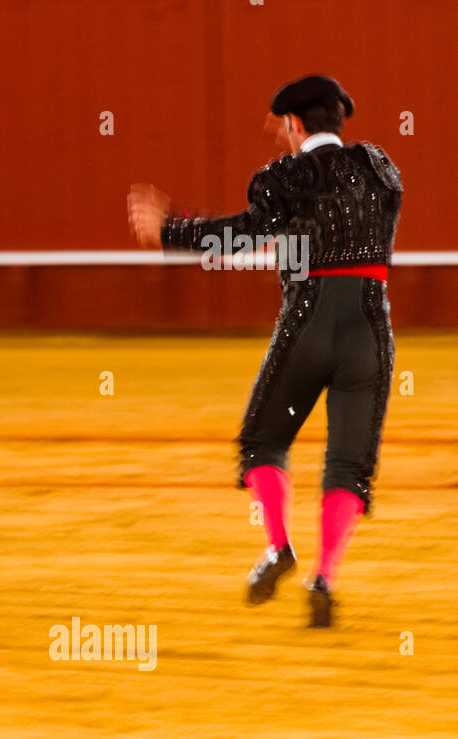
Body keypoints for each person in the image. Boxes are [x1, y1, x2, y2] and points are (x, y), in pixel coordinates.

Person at [128, 75, 403, 627]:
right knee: (349, 464)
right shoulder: (381, 170)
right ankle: (325, 577)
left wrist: (172, 230)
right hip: (370, 327)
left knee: (263, 441)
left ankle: (278, 546)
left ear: (296, 124)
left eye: (281, 125)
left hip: (308, 321)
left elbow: (244, 235)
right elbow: (336, 223)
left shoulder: (284, 177)